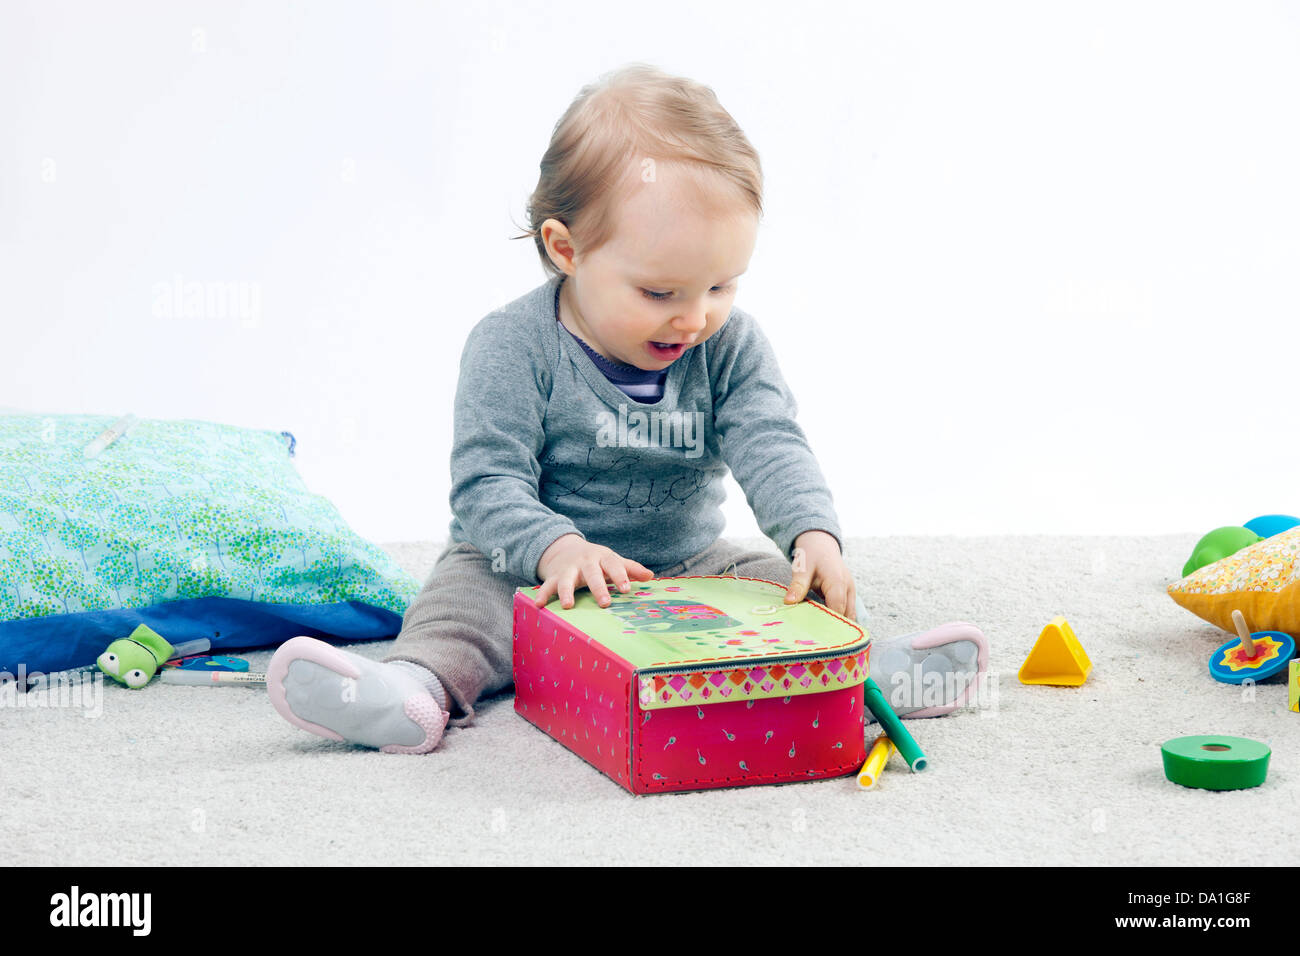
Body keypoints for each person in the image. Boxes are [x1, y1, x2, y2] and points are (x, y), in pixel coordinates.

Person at [267, 63, 987, 754]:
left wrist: (812, 534)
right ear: (566, 248)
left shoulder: (729, 344)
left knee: (782, 594)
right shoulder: (511, 346)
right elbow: (488, 485)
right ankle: (405, 694)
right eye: (660, 292)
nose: (694, 319)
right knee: (462, 613)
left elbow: (772, 441)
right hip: (527, 568)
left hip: (684, 564)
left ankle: (856, 680)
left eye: (720, 286)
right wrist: (558, 548)